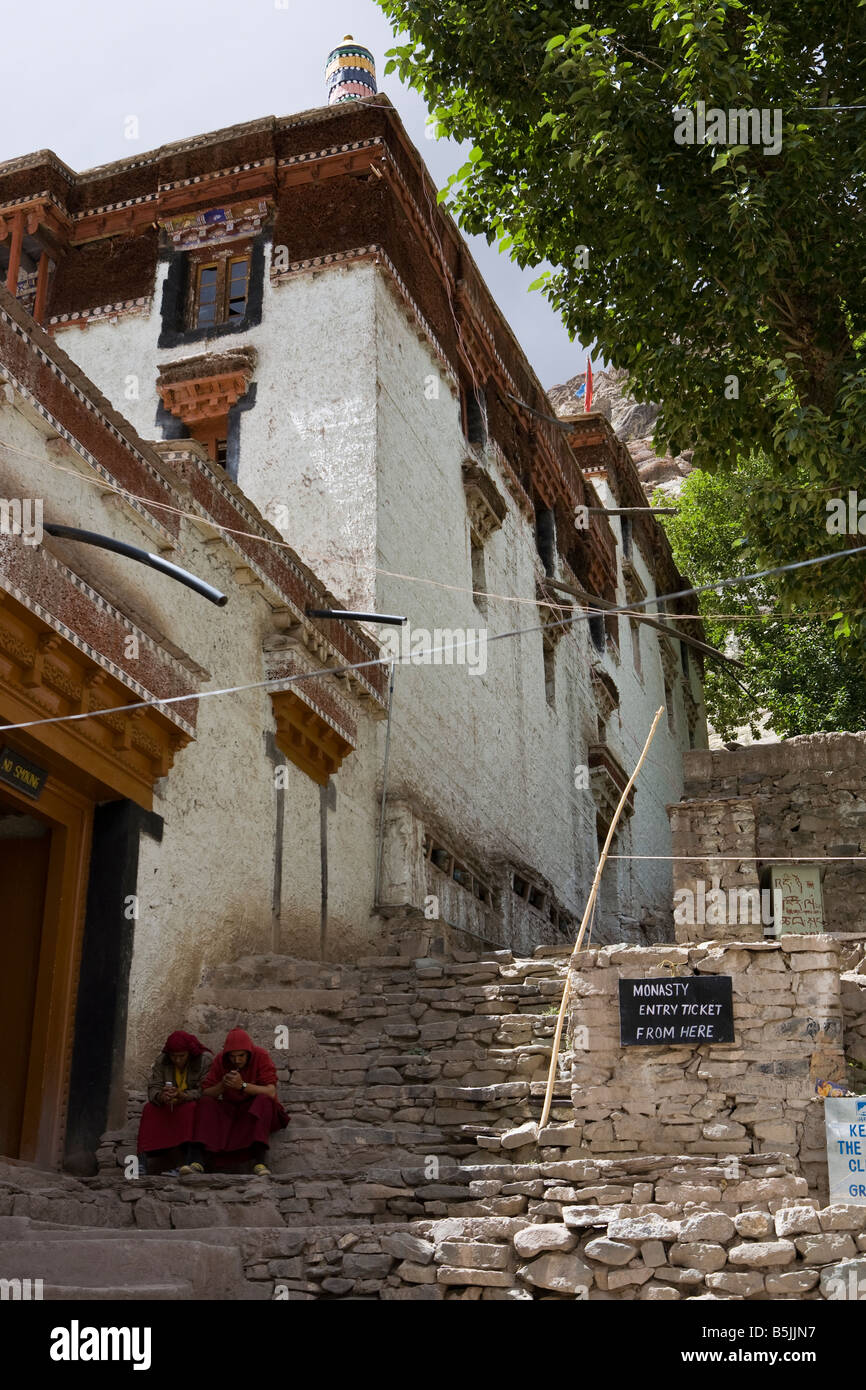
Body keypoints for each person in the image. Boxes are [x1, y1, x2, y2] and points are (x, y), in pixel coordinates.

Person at [194, 1027, 289, 1175]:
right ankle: (198, 1160)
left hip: (253, 1109)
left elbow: (270, 1091)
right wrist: (222, 1086)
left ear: (249, 1053)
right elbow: (206, 1091)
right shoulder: (221, 1060)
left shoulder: (261, 1056)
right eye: (232, 1056)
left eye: (241, 1056)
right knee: (206, 1102)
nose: (236, 1060)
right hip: (231, 1109)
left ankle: (260, 1162)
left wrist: (242, 1086)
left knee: (263, 1101)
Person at [137, 1030, 211, 1176]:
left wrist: (183, 1095)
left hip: (189, 1102)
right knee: (149, 1109)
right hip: (169, 1103)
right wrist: (162, 1096)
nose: (177, 1060)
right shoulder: (162, 1061)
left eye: (181, 1056)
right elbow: (154, 1087)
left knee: (190, 1109)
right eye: (173, 1056)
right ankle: (140, 1163)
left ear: (189, 1053)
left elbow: (205, 1089)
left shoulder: (203, 1060)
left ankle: (186, 1163)